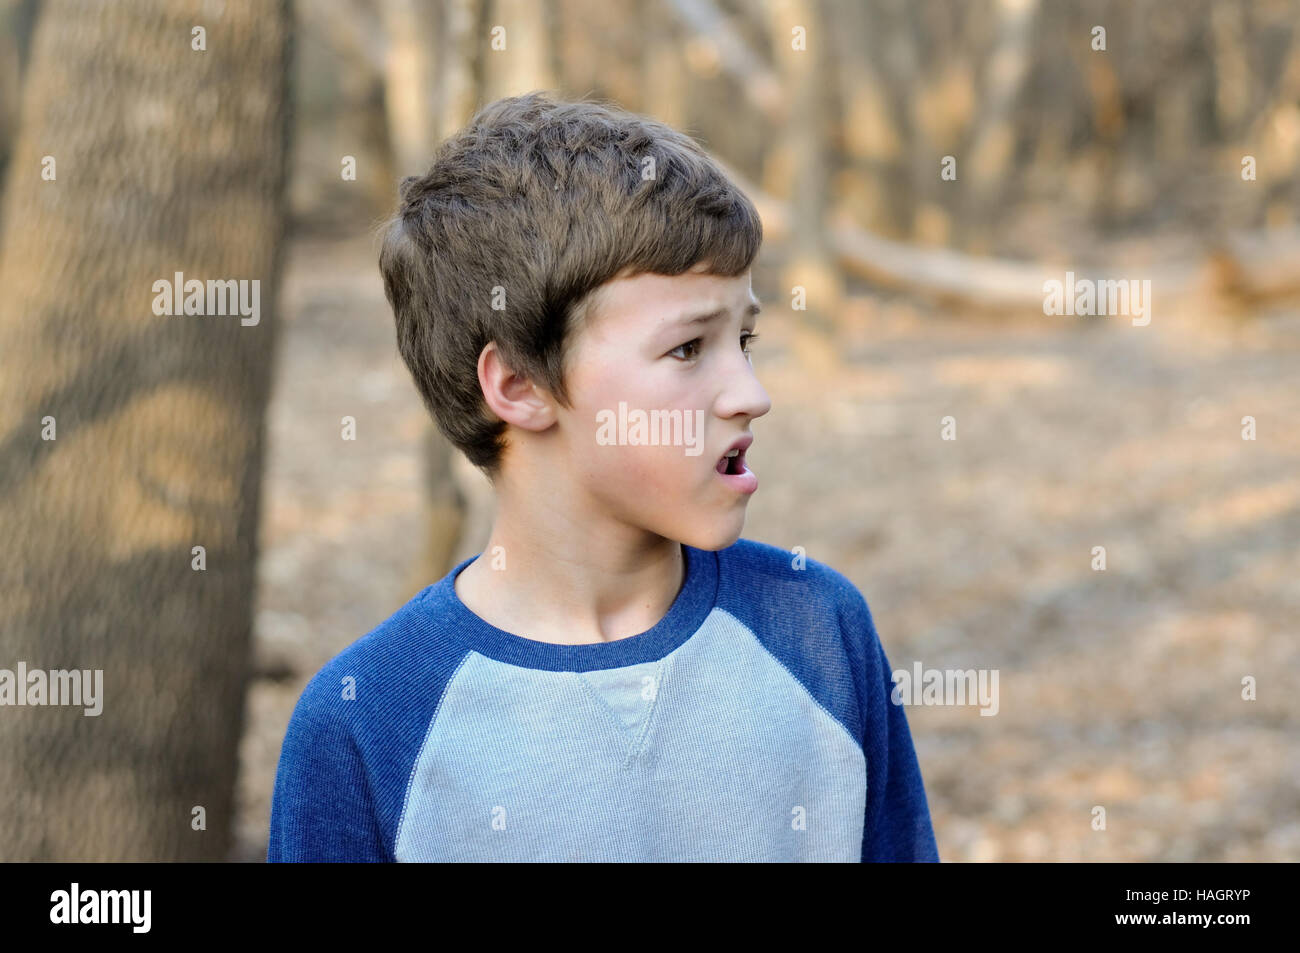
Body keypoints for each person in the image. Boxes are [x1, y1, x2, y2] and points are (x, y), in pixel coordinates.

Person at [267, 91, 939, 862]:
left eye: (744, 338)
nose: (751, 393)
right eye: (688, 348)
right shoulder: (367, 724)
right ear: (519, 384)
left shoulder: (818, 631)